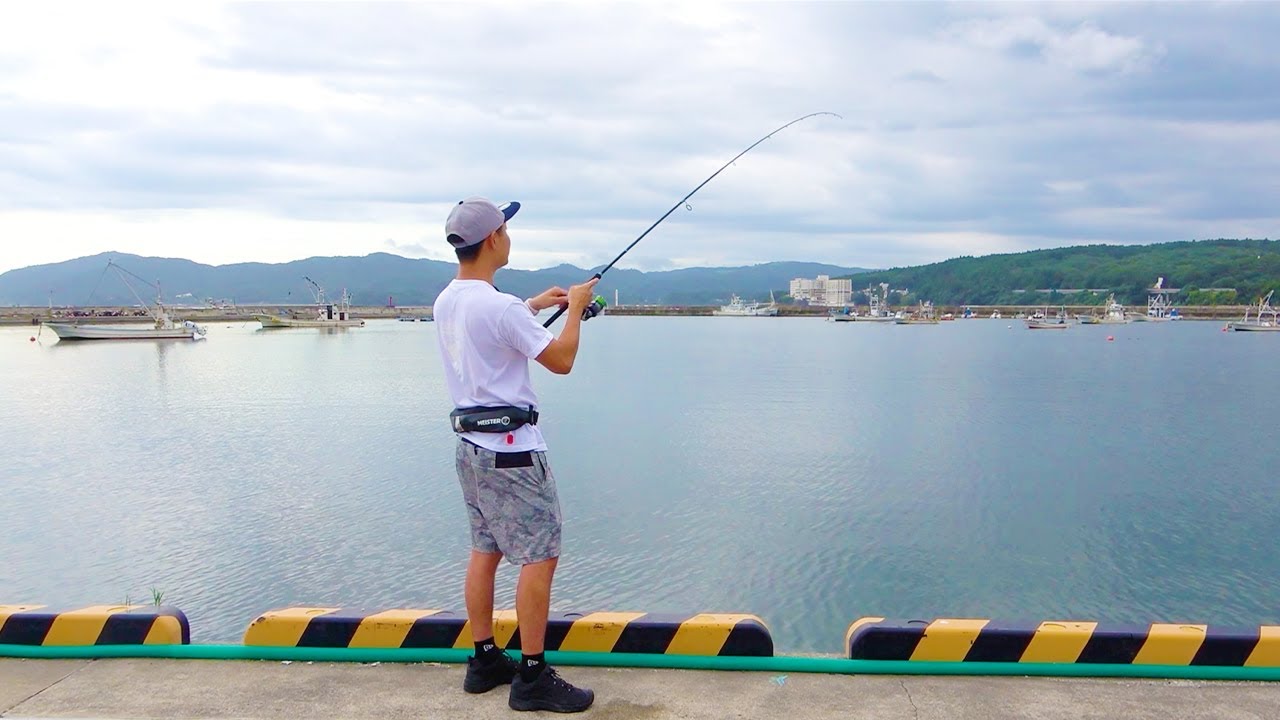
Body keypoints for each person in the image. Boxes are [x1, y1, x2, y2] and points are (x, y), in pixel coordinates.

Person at [433, 196, 598, 713]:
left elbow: (491, 331)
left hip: (471, 450)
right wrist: (572, 310)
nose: (508, 234)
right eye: (505, 227)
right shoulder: (498, 305)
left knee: (486, 548)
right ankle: (532, 675)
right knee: (539, 555)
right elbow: (563, 359)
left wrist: (534, 307)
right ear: (494, 240)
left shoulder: (449, 300)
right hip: (513, 454)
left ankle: (484, 660)